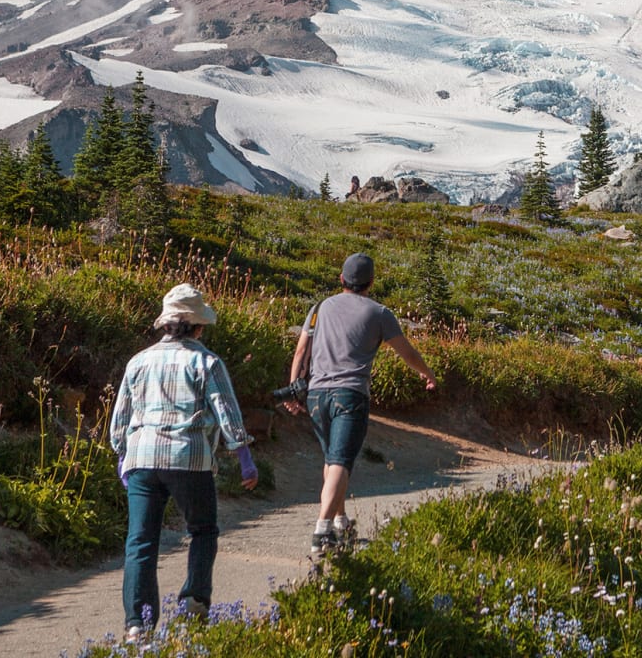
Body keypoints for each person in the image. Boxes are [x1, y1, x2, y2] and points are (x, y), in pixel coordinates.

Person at [109, 284, 258, 642]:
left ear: (165, 325)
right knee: (202, 530)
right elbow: (226, 409)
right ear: (198, 326)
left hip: (142, 457)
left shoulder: (138, 361)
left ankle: (137, 624)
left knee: (141, 541)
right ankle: (194, 599)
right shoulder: (206, 361)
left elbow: (121, 418)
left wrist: (121, 454)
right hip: (188, 457)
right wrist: (243, 455)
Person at [282, 254, 438, 551]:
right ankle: (322, 530)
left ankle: (340, 521)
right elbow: (408, 354)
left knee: (331, 459)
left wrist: (293, 389)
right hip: (350, 394)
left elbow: (301, 350)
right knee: (341, 461)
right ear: (371, 283)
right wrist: (427, 374)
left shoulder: (320, 307)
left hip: (316, 394)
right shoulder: (380, 314)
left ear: (341, 279)